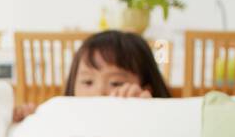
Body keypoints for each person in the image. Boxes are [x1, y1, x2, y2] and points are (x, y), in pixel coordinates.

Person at [12, 29, 172, 122]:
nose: (99, 92)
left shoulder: (146, 111)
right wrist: (30, 121)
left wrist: (151, 111)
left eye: (116, 83)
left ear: (146, 88)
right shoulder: (63, 120)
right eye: (88, 82)